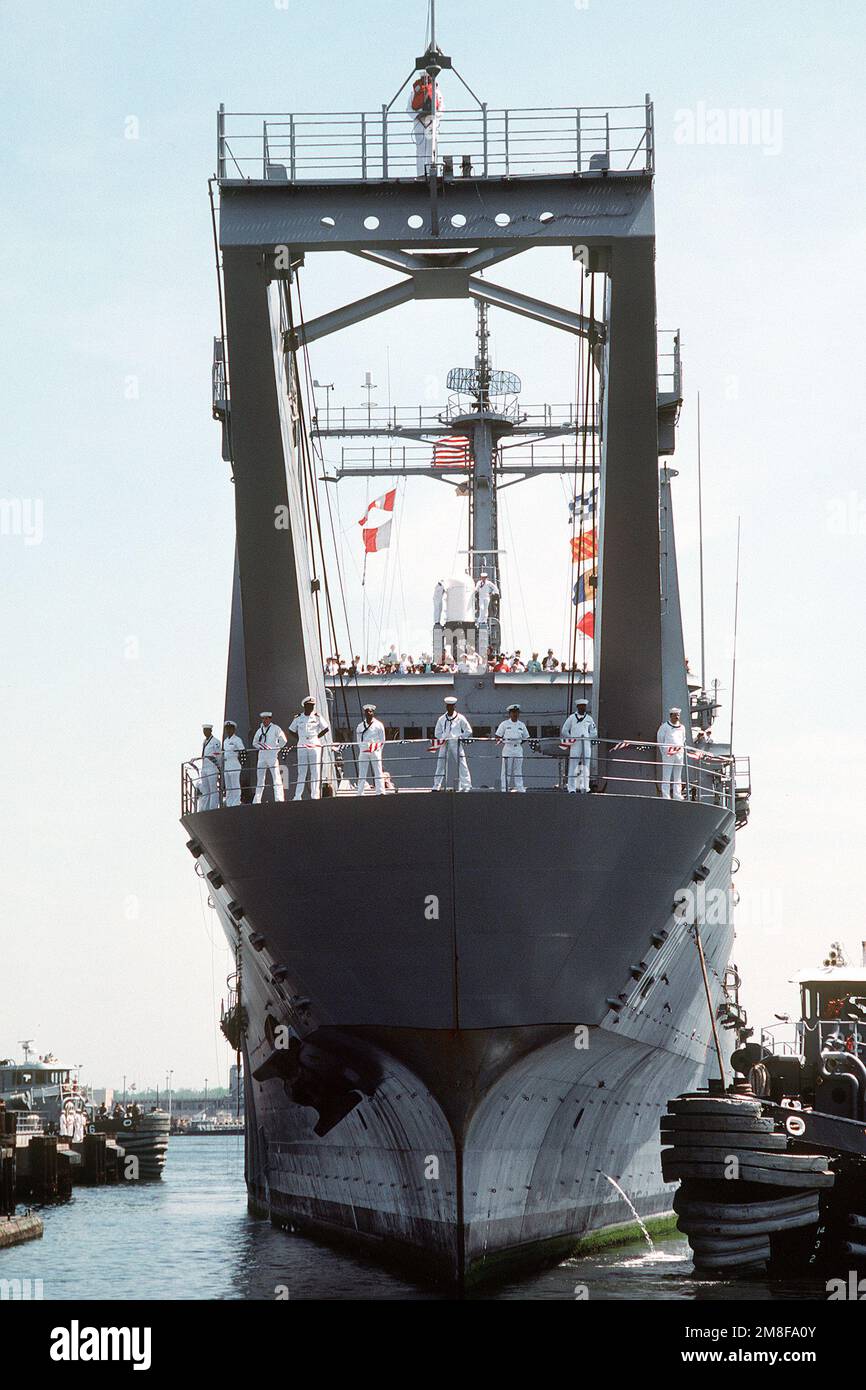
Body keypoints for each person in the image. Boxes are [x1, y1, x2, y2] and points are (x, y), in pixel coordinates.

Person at [289, 696, 330, 800]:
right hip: (302, 743)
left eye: (313, 705)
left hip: (314, 743)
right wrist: (299, 738)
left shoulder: (317, 717)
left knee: (315, 770)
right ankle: (297, 796)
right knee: (302, 771)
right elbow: (291, 730)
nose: (312, 707)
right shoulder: (298, 718)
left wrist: (317, 736)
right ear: (305, 706)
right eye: (310, 705)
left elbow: (326, 728)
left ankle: (315, 795)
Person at [433, 696, 473, 791]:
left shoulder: (460, 718)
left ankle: (466, 785)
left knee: (462, 763)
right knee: (441, 764)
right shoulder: (442, 719)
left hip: (456, 743)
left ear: (454, 707)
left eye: (452, 706)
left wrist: (461, 738)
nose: (450, 708)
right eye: (448, 706)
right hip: (445, 743)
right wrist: (442, 738)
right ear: (446, 707)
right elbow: (437, 732)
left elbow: (468, 730)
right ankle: (436, 785)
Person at [408, 71, 443, 176]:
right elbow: (441, 109)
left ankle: (422, 174)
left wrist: (418, 116)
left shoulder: (415, 91)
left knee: (422, 150)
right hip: (430, 122)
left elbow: (409, 108)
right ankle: (430, 173)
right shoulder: (436, 91)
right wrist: (434, 117)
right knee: (430, 149)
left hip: (421, 123)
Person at [561, 698, 597, 793]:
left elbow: (594, 732)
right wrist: (571, 738)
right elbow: (564, 730)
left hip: (585, 743)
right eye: (580, 706)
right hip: (575, 743)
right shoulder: (572, 718)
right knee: (573, 764)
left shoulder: (589, 718)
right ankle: (571, 788)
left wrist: (588, 738)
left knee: (586, 764)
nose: (582, 708)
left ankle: (584, 786)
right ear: (577, 707)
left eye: (584, 706)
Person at [253, 711, 287, 803]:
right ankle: (257, 800)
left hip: (272, 756)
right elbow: (254, 742)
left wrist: (277, 749)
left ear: (270, 719)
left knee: (276, 778)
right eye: (263, 719)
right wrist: (260, 746)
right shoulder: (259, 730)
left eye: (266, 718)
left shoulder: (276, 728)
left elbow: (283, 740)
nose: (265, 720)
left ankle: (279, 799)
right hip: (262, 757)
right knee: (260, 780)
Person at [495, 704, 530, 791]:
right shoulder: (504, 724)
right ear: (510, 714)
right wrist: (503, 741)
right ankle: (504, 787)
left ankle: (520, 787)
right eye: (513, 712)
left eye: (517, 712)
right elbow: (498, 735)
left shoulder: (521, 725)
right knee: (506, 770)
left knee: (518, 769)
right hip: (508, 748)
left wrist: (519, 743)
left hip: (518, 748)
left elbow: (526, 737)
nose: (515, 714)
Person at [354, 704, 387, 795]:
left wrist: (378, 750)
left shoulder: (379, 725)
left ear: (373, 712)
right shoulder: (360, 726)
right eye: (367, 711)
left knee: (378, 771)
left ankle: (380, 791)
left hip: (375, 750)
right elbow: (358, 740)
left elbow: (382, 740)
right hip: (364, 751)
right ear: (364, 713)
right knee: (362, 772)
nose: (369, 713)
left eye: (370, 711)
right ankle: (360, 792)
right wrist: (363, 748)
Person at [657, 705, 687, 800]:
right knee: (667, 775)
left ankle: (677, 794)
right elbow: (660, 739)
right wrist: (664, 751)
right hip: (668, 753)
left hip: (679, 753)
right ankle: (666, 795)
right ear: (671, 716)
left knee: (678, 775)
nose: (677, 717)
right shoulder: (665, 727)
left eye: (678, 715)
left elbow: (683, 739)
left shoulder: (682, 727)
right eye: (675, 715)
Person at [222, 720, 246, 807]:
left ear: (234, 729)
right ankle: (229, 803)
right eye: (227, 729)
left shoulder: (237, 740)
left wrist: (242, 762)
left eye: (230, 728)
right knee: (228, 786)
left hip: (234, 763)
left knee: (235, 785)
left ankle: (236, 802)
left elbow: (242, 751)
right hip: (227, 764)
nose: (228, 730)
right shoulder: (225, 741)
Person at [198, 723, 222, 811]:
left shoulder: (215, 742)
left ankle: (213, 808)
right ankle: (205, 808)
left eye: (207, 730)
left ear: (210, 731)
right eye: (204, 731)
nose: (205, 732)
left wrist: (219, 768)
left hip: (212, 767)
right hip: (204, 767)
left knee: (213, 790)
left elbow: (218, 755)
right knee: (206, 790)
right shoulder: (204, 741)